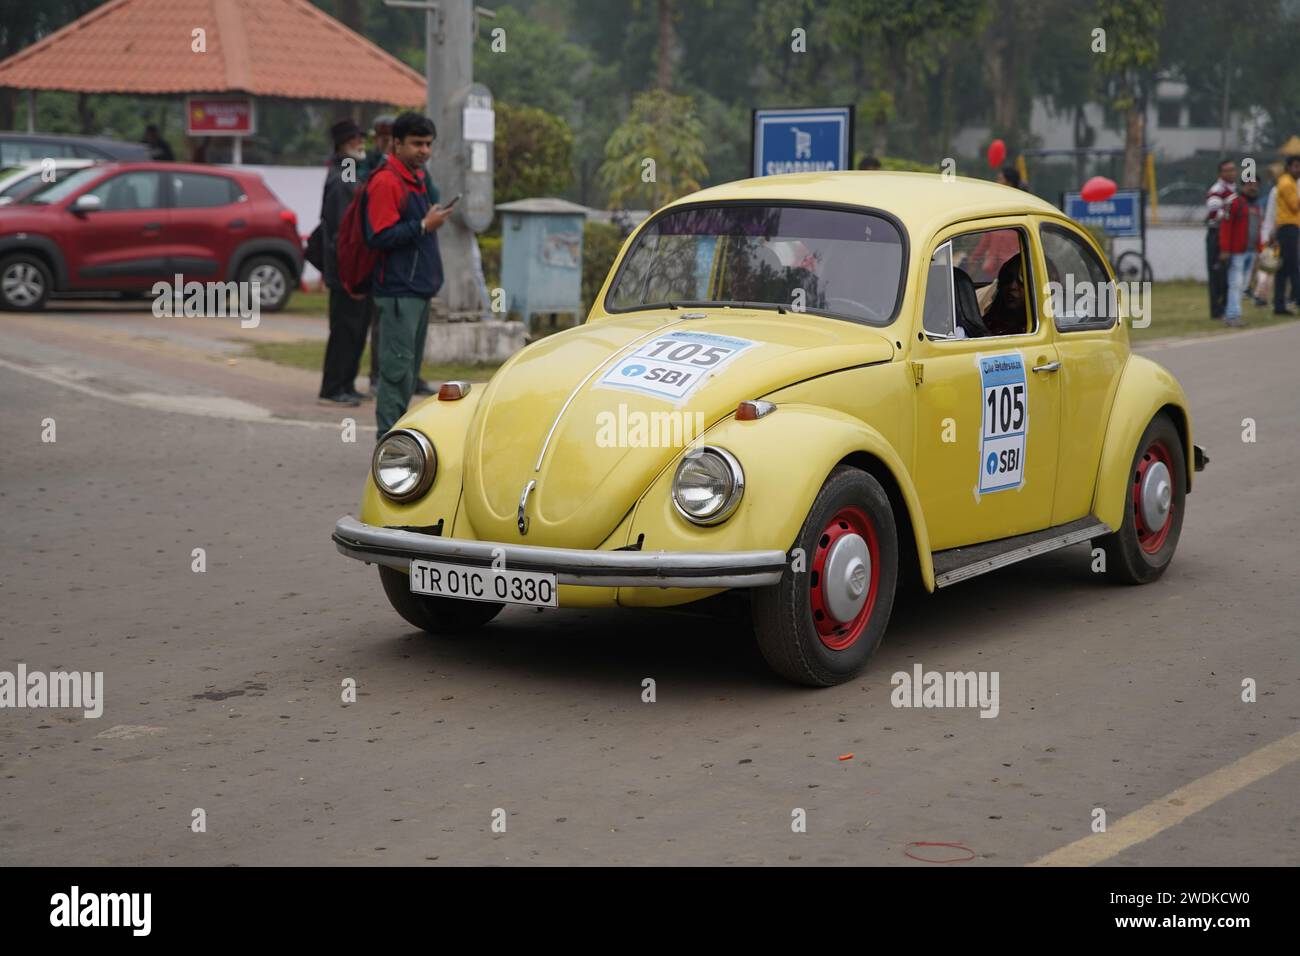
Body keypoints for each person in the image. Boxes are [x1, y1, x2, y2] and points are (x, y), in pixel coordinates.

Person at [364, 112, 454, 437]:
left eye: (428, 144)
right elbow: (379, 235)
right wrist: (422, 226)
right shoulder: (387, 181)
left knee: (409, 372)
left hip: (417, 290)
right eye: (417, 144)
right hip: (399, 291)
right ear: (396, 144)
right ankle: (387, 445)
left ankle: (395, 443)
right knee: (396, 372)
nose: (424, 151)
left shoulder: (416, 179)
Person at [318, 118, 371, 406]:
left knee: (356, 329)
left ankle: (346, 382)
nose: (361, 143)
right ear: (342, 144)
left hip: (355, 269)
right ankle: (334, 386)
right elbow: (341, 233)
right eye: (355, 139)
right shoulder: (342, 179)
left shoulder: (349, 173)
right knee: (344, 330)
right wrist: (348, 272)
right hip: (345, 271)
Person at [1218, 177, 1262, 328]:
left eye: (1255, 185)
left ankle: (1233, 313)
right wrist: (1225, 249)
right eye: (1249, 185)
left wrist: (1260, 249)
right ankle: (1232, 316)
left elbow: (1258, 228)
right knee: (1235, 284)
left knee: (1242, 285)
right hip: (1237, 252)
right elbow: (1226, 226)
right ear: (1242, 186)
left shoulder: (1256, 206)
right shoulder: (1234, 203)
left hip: (1250, 251)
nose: (1252, 188)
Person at [1205, 158, 1237, 319]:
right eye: (1227, 170)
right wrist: (1229, 213)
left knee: (1228, 273)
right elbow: (1213, 213)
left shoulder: (1234, 190)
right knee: (1217, 273)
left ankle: (1226, 306)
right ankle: (1217, 310)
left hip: (1231, 234)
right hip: (1217, 233)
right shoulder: (1217, 190)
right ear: (1220, 173)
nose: (1231, 173)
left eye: (1233, 169)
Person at [1273, 154, 1300, 316]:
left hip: (1287, 227)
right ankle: (1295, 298)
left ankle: (1279, 305)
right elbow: (1294, 206)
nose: (1298, 170)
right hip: (1288, 227)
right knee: (1292, 267)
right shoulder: (1287, 183)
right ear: (1288, 167)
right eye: (1295, 166)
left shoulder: (1290, 183)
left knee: (1284, 269)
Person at [982, 254, 1028, 336]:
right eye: (1008, 279)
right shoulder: (990, 322)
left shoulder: (1036, 328)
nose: (1012, 286)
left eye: (1022, 280)